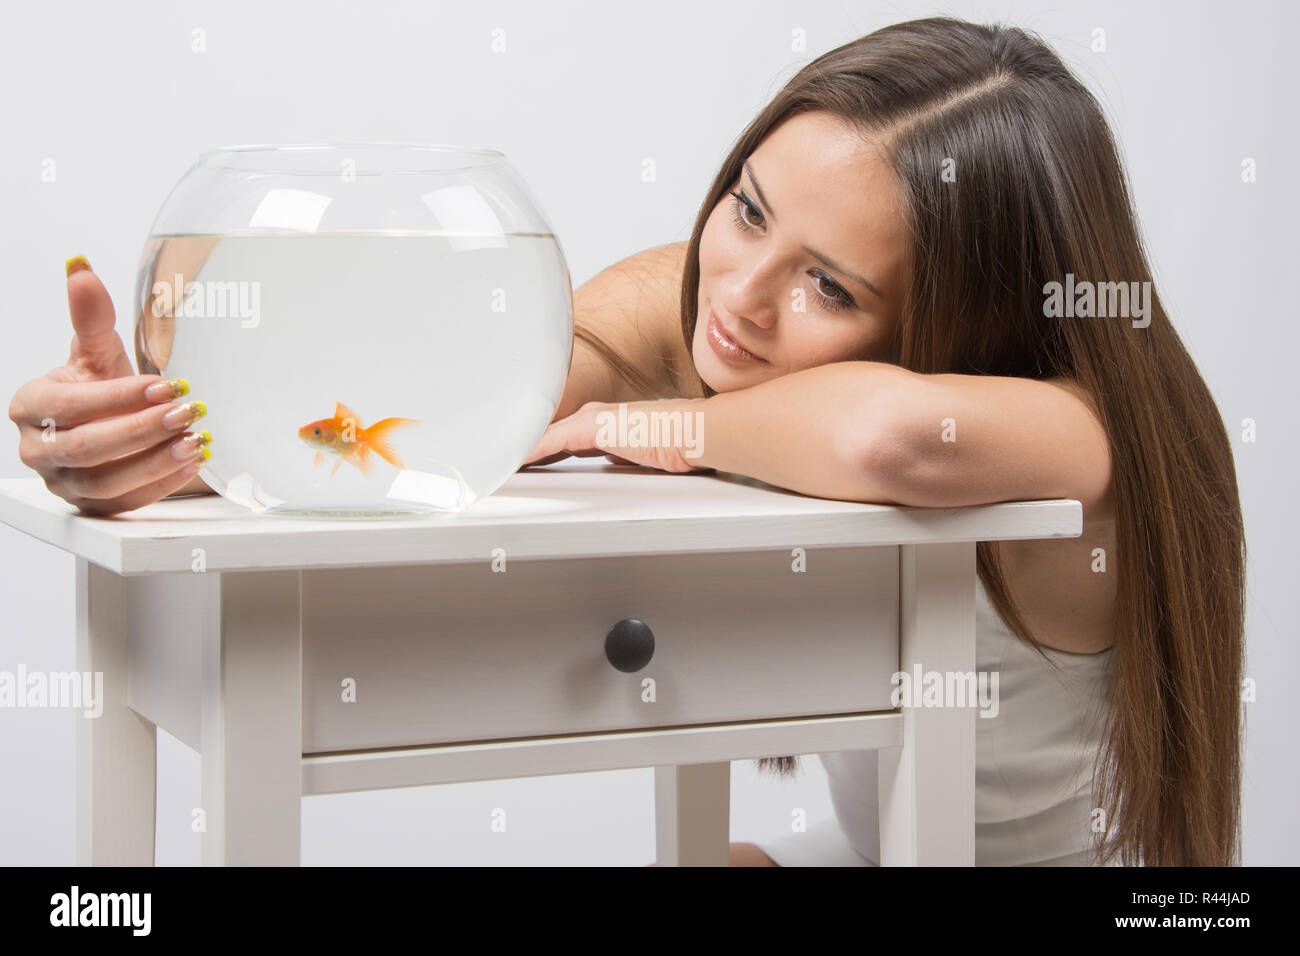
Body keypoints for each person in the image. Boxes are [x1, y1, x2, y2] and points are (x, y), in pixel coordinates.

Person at [9, 16, 1244, 867]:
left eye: (829, 284)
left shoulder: (1085, 426)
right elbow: (490, 397)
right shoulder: (727, 315)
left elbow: (890, 438)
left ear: (968, 320)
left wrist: (652, 424)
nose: (738, 296)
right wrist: (171, 433)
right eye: (747, 208)